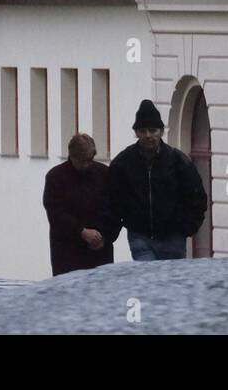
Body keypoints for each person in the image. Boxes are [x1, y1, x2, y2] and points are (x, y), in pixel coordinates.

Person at [101, 99, 207, 261]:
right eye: (143, 131)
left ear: (161, 131)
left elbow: (196, 196)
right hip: (140, 236)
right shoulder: (123, 163)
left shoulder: (178, 161)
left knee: (171, 283)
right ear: (136, 133)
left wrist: (187, 227)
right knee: (148, 279)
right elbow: (112, 199)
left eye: (152, 130)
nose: (148, 135)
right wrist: (110, 230)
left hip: (173, 236)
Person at [42, 133, 115, 275]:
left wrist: (104, 236)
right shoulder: (55, 177)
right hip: (67, 252)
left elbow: (112, 208)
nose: (87, 165)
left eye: (90, 160)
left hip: (99, 250)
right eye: (82, 161)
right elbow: (55, 212)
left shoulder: (104, 174)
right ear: (72, 156)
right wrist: (81, 231)